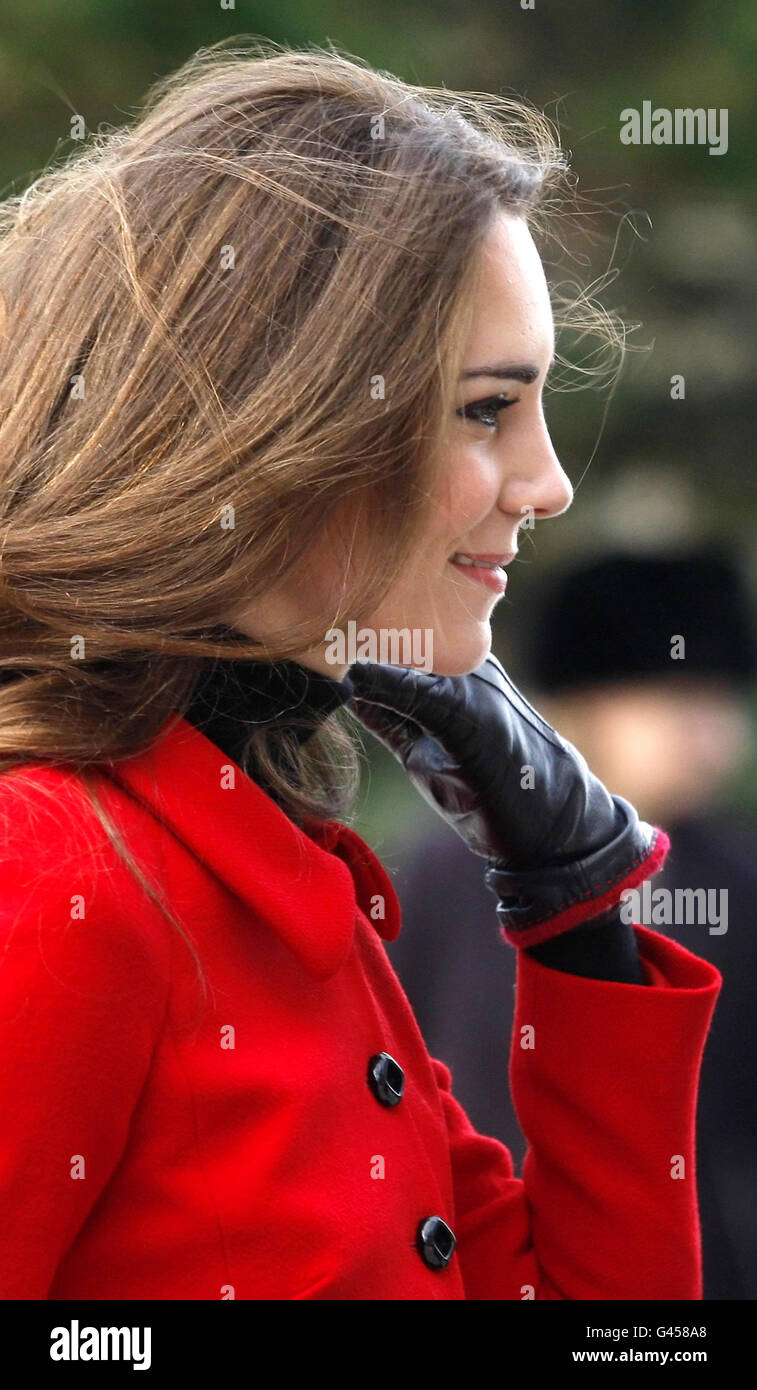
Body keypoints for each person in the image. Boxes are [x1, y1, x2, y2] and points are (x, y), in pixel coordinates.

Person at [0, 41, 720, 1300]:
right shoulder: (56, 870)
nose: (549, 483)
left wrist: (581, 912)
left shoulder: (265, 874)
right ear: (283, 419)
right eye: (486, 408)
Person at [388, 550, 756, 1298]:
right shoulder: (435, 874)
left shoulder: (739, 878)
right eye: (678, 702)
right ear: (581, 705)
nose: (710, 738)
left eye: (721, 704)